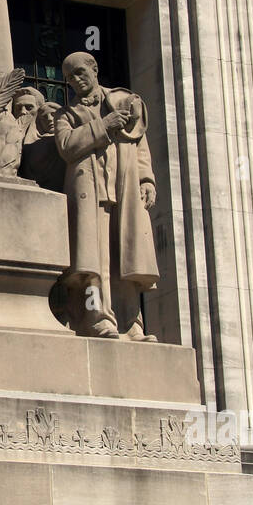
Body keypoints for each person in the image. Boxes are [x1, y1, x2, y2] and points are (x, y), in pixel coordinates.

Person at [54, 51, 158, 340]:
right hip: (90, 195)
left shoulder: (122, 101)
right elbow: (67, 146)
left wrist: (146, 179)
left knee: (126, 258)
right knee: (93, 266)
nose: (76, 80)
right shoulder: (67, 115)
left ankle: (132, 324)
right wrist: (104, 124)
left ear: (94, 69)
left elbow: (139, 144)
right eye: (70, 78)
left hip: (123, 191)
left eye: (80, 73)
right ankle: (96, 318)